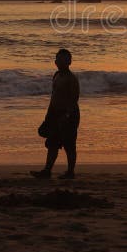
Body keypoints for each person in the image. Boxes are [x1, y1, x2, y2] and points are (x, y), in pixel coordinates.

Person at [31, 48, 81, 179]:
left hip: (69, 115)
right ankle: (47, 171)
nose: (60, 61)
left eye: (64, 59)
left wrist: (67, 115)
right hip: (54, 113)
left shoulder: (72, 79)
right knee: (52, 143)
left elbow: (74, 99)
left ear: (70, 62)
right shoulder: (56, 75)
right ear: (55, 61)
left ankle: (70, 172)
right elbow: (53, 96)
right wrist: (48, 115)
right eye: (59, 59)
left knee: (69, 144)